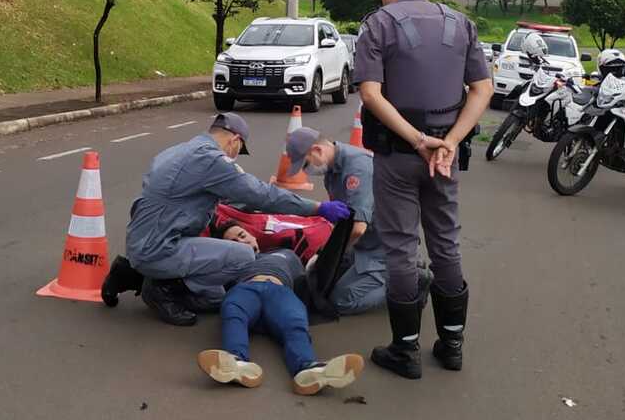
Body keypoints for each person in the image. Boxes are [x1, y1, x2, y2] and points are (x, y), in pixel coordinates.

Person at [354, 0, 493, 379]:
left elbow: (371, 95)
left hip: (400, 154)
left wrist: (417, 140)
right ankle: (452, 345)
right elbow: (482, 88)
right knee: (445, 243)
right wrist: (449, 142)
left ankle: (406, 350)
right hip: (444, 157)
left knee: (400, 248)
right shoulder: (461, 23)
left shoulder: (377, 24)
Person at [101, 112, 351, 326]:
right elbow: (260, 195)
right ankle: (162, 289)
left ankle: (130, 271)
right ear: (234, 140)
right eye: (238, 151)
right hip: (158, 247)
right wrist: (317, 207)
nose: (234, 157)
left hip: (145, 238)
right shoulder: (211, 160)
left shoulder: (179, 151)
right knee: (240, 260)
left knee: (214, 288)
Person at [282, 126, 431, 315]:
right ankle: (398, 273)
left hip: (387, 247)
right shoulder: (333, 170)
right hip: (365, 242)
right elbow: (345, 220)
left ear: (317, 150)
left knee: (341, 301)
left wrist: (329, 255)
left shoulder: (357, 169)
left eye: (305, 164)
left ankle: (410, 282)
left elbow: (358, 228)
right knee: (322, 282)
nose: (306, 171)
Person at [196, 246, 365, 396]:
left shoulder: (289, 254)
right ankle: (236, 363)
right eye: (232, 240)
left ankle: (309, 370)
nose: (240, 241)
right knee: (233, 315)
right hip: (246, 288)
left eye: (241, 235)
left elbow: (312, 275)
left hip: (279, 291)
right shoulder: (236, 257)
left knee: (294, 323)